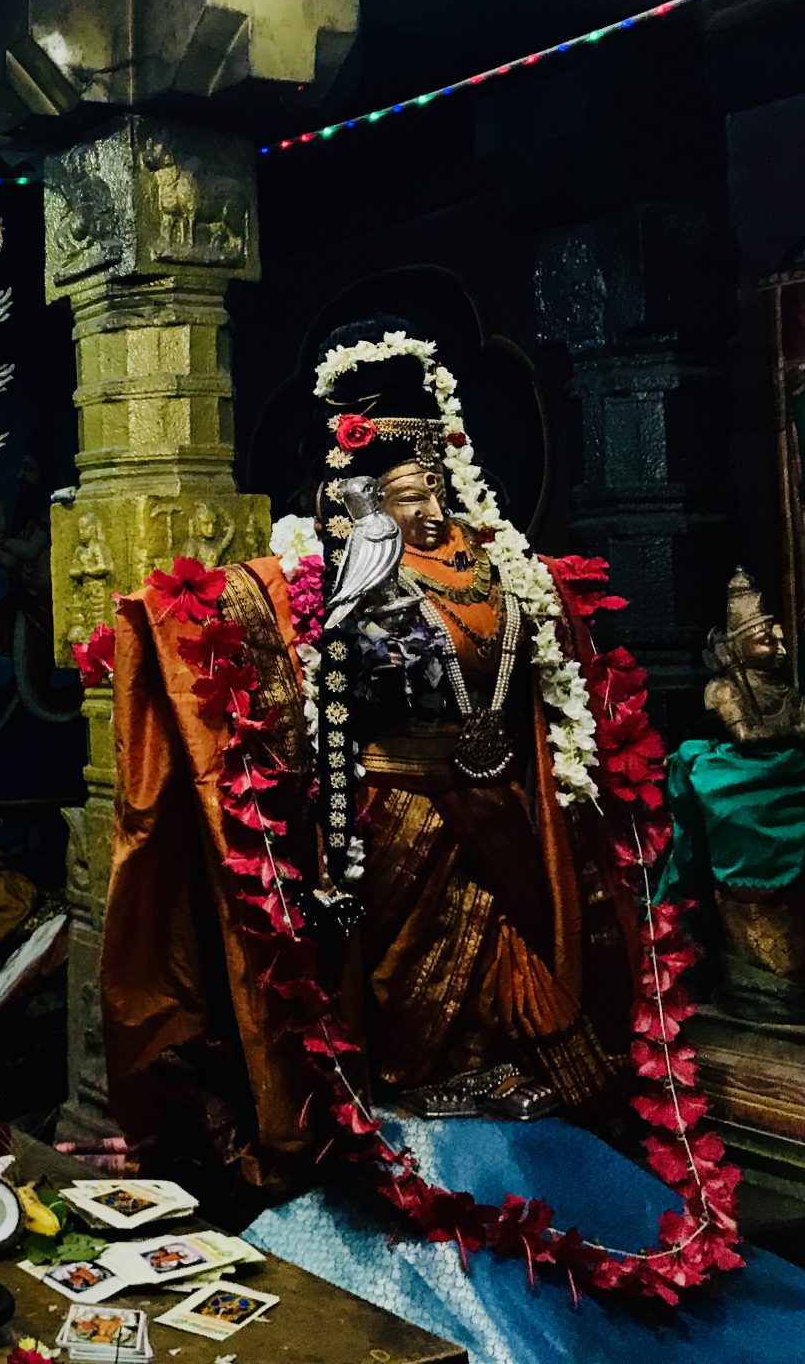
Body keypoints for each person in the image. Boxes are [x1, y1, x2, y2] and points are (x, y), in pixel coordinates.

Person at [99, 318, 641, 1204]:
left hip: (500, 810)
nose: (425, 508)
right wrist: (175, 613)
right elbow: (282, 645)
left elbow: (558, 679)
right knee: (402, 1004)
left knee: (505, 996)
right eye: (401, 494)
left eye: (433, 487)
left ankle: (522, 1167)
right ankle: (413, 1163)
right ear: (360, 497)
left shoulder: (510, 572)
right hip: (394, 819)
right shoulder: (338, 573)